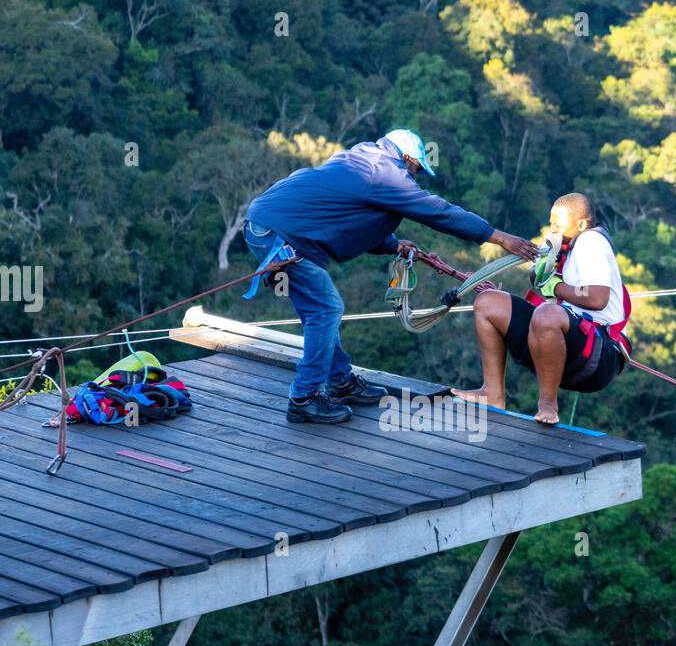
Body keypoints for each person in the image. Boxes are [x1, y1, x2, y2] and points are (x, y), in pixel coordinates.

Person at [242, 129, 537, 423]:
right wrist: (497, 237)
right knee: (326, 308)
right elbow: (439, 212)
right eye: (417, 169)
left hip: (268, 227)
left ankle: (340, 382)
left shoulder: (361, 160)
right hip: (279, 236)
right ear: (406, 158)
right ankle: (304, 398)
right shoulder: (385, 172)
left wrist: (393, 244)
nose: (415, 176)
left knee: (318, 311)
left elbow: (355, 219)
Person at [453, 192, 631, 425]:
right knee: (487, 302)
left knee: (546, 314)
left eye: (559, 225)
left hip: (600, 354)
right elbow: (538, 280)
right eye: (552, 223)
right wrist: (546, 264)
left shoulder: (591, 241)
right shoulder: (565, 247)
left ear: (580, 224)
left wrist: (555, 287)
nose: (553, 229)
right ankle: (492, 394)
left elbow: (597, 298)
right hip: (564, 344)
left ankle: (548, 404)